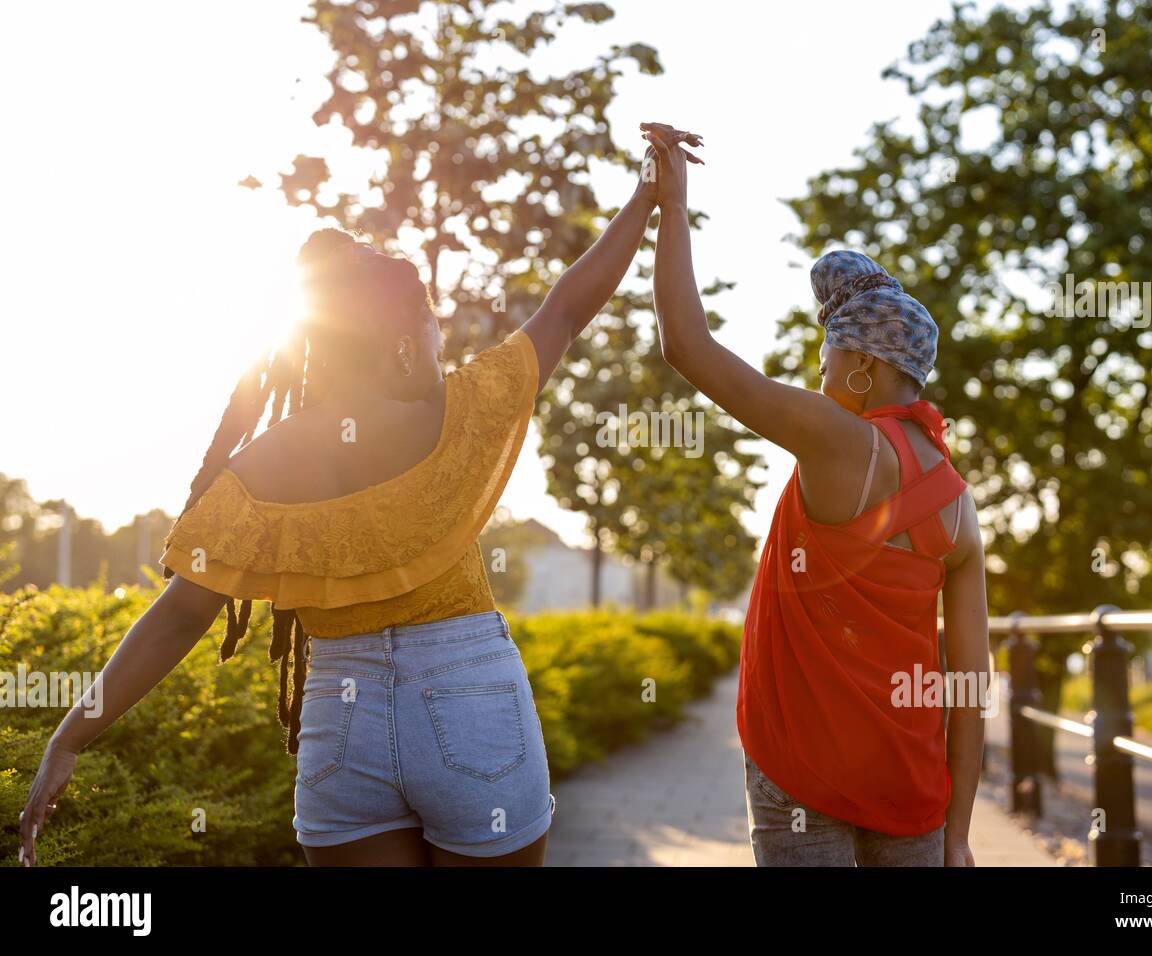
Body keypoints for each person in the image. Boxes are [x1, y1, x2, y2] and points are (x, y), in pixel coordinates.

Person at [19, 124, 700, 868]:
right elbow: (568, 306)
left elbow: (179, 614)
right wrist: (650, 197)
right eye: (432, 325)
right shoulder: (465, 410)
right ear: (402, 342)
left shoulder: (256, 469)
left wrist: (69, 735)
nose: (442, 343)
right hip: (471, 704)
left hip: (342, 725)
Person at [643, 123, 989, 867]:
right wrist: (958, 834)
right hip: (914, 791)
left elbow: (684, 343)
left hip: (804, 772)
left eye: (827, 357)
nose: (820, 375)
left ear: (862, 365)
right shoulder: (959, 504)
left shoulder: (835, 436)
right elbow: (968, 682)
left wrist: (671, 205)